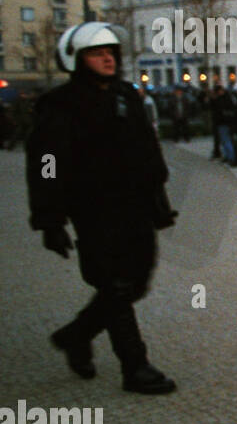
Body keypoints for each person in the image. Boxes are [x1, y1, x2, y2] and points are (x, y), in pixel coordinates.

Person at [26, 22, 178, 395]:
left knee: (137, 281)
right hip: (94, 209)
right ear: (77, 59)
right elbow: (46, 163)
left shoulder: (127, 95)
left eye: (111, 51)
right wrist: (50, 220)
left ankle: (76, 335)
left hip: (136, 206)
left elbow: (148, 149)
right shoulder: (61, 105)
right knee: (116, 284)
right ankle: (135, 366)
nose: (108, 58)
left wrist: (159, 199)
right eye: (97, 53)